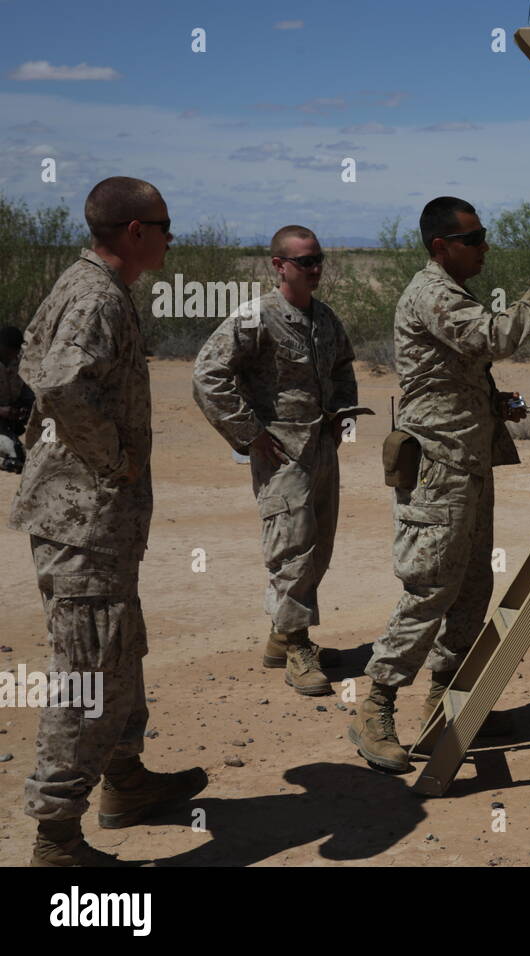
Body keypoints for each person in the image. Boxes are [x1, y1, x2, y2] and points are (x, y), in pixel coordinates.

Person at [349, 196, 530, 772]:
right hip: (439, 469)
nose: (485, 247)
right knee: (431, 587)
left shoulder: (452, 290)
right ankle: (375, 705)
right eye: (474, 238)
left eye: (484, 235)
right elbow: (494, 338)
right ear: (441, 246)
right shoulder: (432, 292)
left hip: (466, 462)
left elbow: (456, 369)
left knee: (472, 585)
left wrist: (492, 402)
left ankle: (448, 701)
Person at [8, 176, 207, 866]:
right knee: (89, 667)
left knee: (118, 648)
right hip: (84, 519)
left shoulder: (88, 286)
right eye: (165, 225)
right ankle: (56, 834)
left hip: (90, 519)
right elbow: (61, 383)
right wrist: (114, 458)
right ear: (135, 232)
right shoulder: (95, 296)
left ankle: (125, 780)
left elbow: (34, 364)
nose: (172, 237)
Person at [192, 225, 359, 696]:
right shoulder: (256, 316)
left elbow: (343, 367)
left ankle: (281, 636)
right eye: (305, 261)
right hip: (281, 453)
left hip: (320, 449)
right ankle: (298, 647)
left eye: (319, 259)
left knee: (318, 547)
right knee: (292, 549)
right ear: (279, 266)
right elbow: (208, 375)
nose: (315, 268)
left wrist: (343, 416)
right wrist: (249, 434)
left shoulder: (324, 318)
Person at [0, 325, 35, 473]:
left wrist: (25, 407)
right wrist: (1, 411)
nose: (15, 355)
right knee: (16, 459)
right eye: (11, 351)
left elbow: (28, 391)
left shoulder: (18, 362)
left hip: (11, 420)